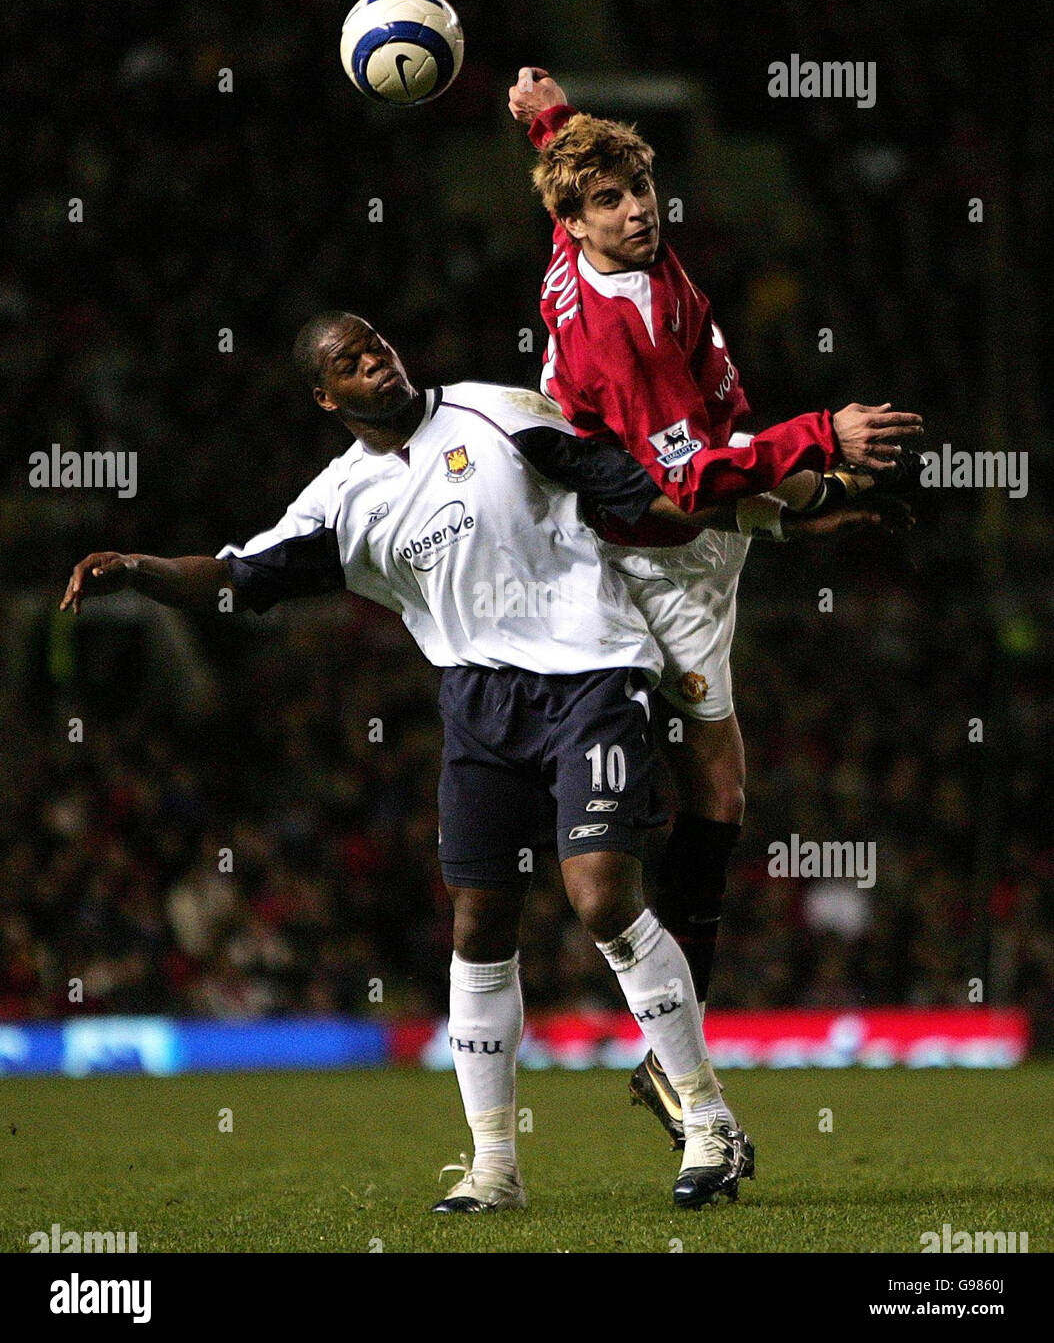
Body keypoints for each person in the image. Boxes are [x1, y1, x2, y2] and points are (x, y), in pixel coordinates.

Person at [60, 313, 886, 1212]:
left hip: (593, 677)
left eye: (377, 345)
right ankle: (495, 1164)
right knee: (477, 929)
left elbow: (641, 495)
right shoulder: (340, 504)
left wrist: (780, 519)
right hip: (479, 711)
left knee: (603, 891)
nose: (377, 362)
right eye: (351, 362)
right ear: (325, 397)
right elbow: (231, 575)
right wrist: (137, 569)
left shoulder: (502, 412)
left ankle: (707, 1119)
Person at [508, 69, 923, 1186]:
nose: (637, 209)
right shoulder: (620, 331)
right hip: (664, 557)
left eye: (640, 186)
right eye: (611, 199)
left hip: (696, 521)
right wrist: (816, 436)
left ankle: (809, 515)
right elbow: (688, 487)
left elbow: (565, 164)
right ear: (573, 219)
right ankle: (669, 1040)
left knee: (719, 779)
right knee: (720, 795)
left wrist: (546, 112)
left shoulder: (586, 249)